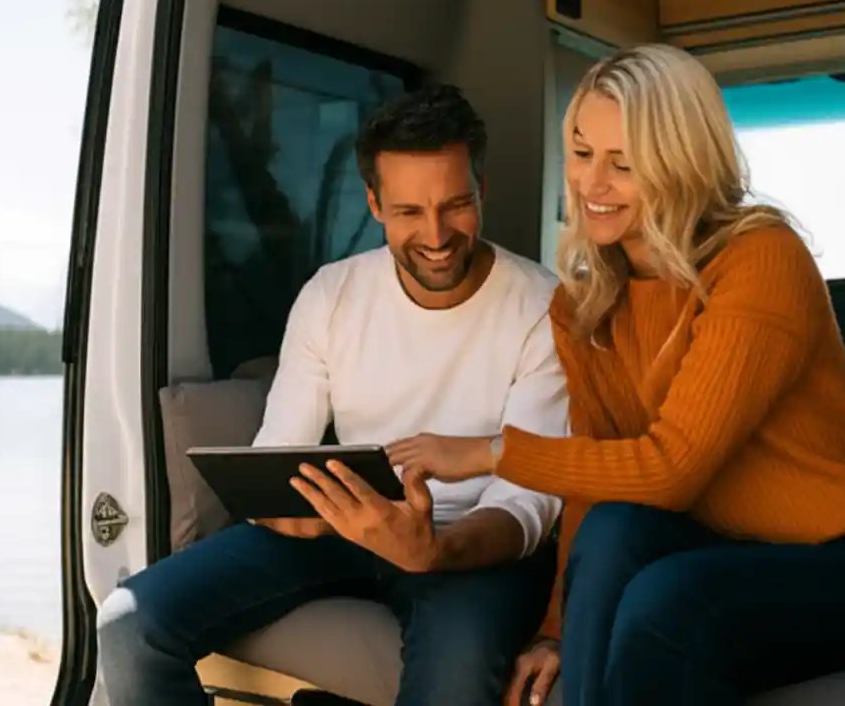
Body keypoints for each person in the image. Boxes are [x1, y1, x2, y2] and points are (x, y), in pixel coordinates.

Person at [379, 44, 845, 706]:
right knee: (616, 529)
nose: (591, 183)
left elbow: (672, 468)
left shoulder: (759, 258)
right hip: (725, 544)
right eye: (581, 153)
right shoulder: (582, 303)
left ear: (681, 164)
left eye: (623, 163)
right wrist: (553, 633)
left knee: (672, 603)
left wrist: (491, 454)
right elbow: (594, 490)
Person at [95, 84, 569, 706]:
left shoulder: (544, 307)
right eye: (408, 211)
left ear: (482, 188)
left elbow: (529, 504)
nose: (435, 234)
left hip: (468, 546)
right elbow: (281, 449)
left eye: (456, 204)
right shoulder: (331, 295)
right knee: (129, 625)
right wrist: (281, 510)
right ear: (374, 202)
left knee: (450, 687)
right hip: (344, 527)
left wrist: (434, 548)